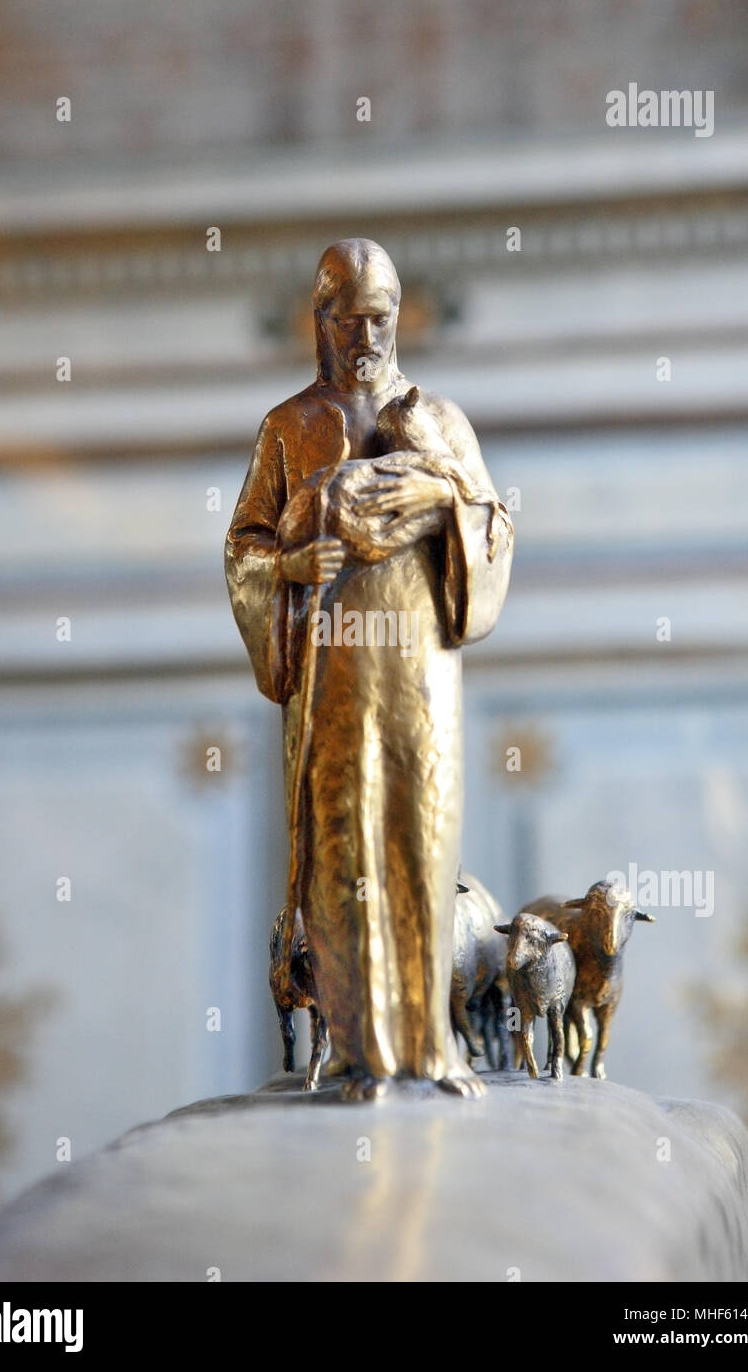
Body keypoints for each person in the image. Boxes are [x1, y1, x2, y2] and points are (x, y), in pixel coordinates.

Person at [225, 239, 512, 1099]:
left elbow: (493, 526)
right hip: (335, 670)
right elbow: (244, 543)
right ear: (321, 322)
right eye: (350, 321)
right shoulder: (289, 427)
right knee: (343, 850)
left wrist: (443, 502)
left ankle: (431, 1043)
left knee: (422, 842)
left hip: (420, 669)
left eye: (381, 320)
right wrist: (283, 568)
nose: (367, 339)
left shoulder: (441, 420)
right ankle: (356, 1046)